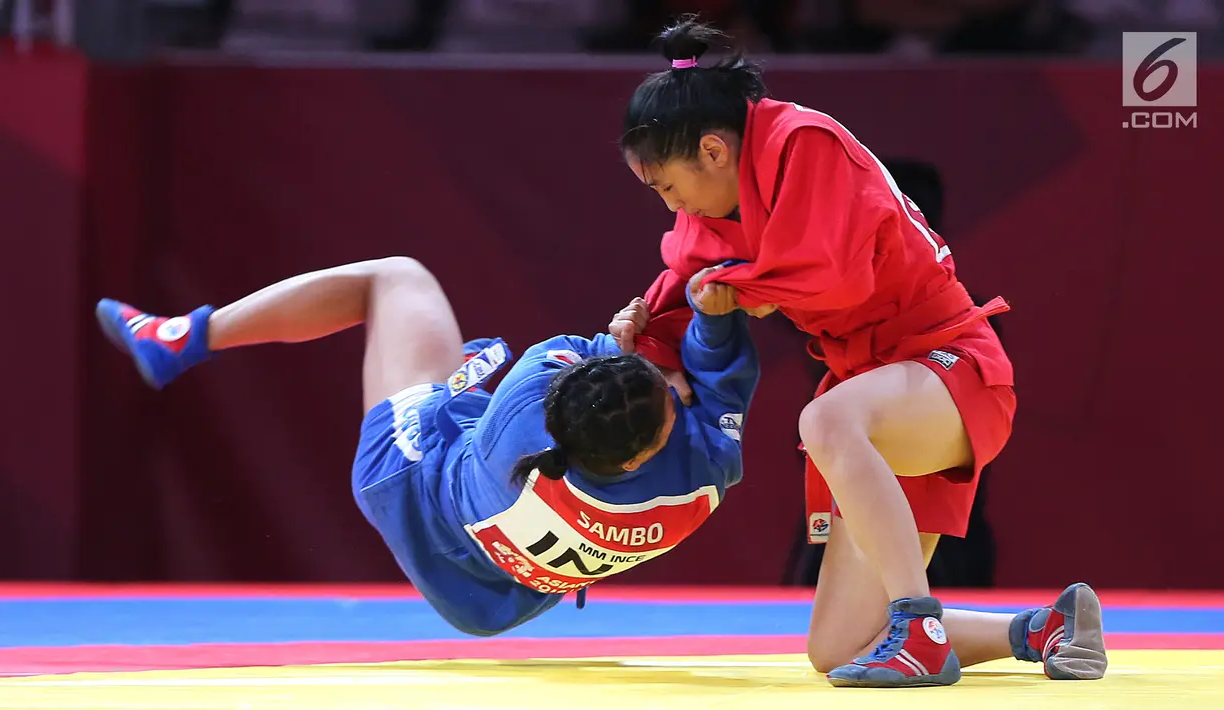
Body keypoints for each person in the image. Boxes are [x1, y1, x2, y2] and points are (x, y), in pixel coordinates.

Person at [609, 17, 1107, 688]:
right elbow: (684, 282)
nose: (669, 205)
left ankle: (920, 627)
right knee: (839, 646)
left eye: (667, 186)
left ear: (713, 151)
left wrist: (735, 287)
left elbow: (835, 273)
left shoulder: (804, 143)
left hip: (950, 370)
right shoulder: (717, 205)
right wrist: (644, 331)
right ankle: (1046, 629)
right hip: (878, 401)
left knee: (824, 422)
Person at [94, 256, 760, 636]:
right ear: (644, 456)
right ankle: (449, 380)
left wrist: (620, 341)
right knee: (456, 381)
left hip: (411, 490)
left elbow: (600, 353)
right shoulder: (705, 472)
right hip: (492, 601)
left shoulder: (532, 400)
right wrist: (711, 322)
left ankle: (181, 337)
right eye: (670, 390)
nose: (677, 385)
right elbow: (725, 378)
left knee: (395, 280)